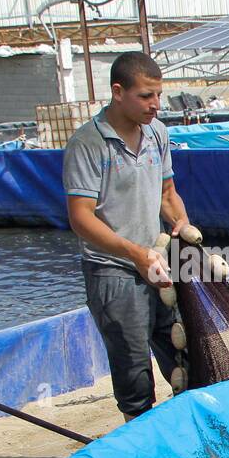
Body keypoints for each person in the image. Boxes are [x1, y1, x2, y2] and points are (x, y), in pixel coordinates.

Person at [63, 51, 191, 420]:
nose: (156, 105)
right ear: (118, 92)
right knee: (134, 374)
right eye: (146, 96)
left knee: (186, 355)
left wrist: (181, 224)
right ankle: (141, 442)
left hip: (158, 263)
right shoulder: (88, 144)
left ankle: (190, 432)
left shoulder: (157, 132)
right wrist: (134, 253)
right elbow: (81, 217)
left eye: (158, 95)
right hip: (113, 272)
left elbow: (167, 194)